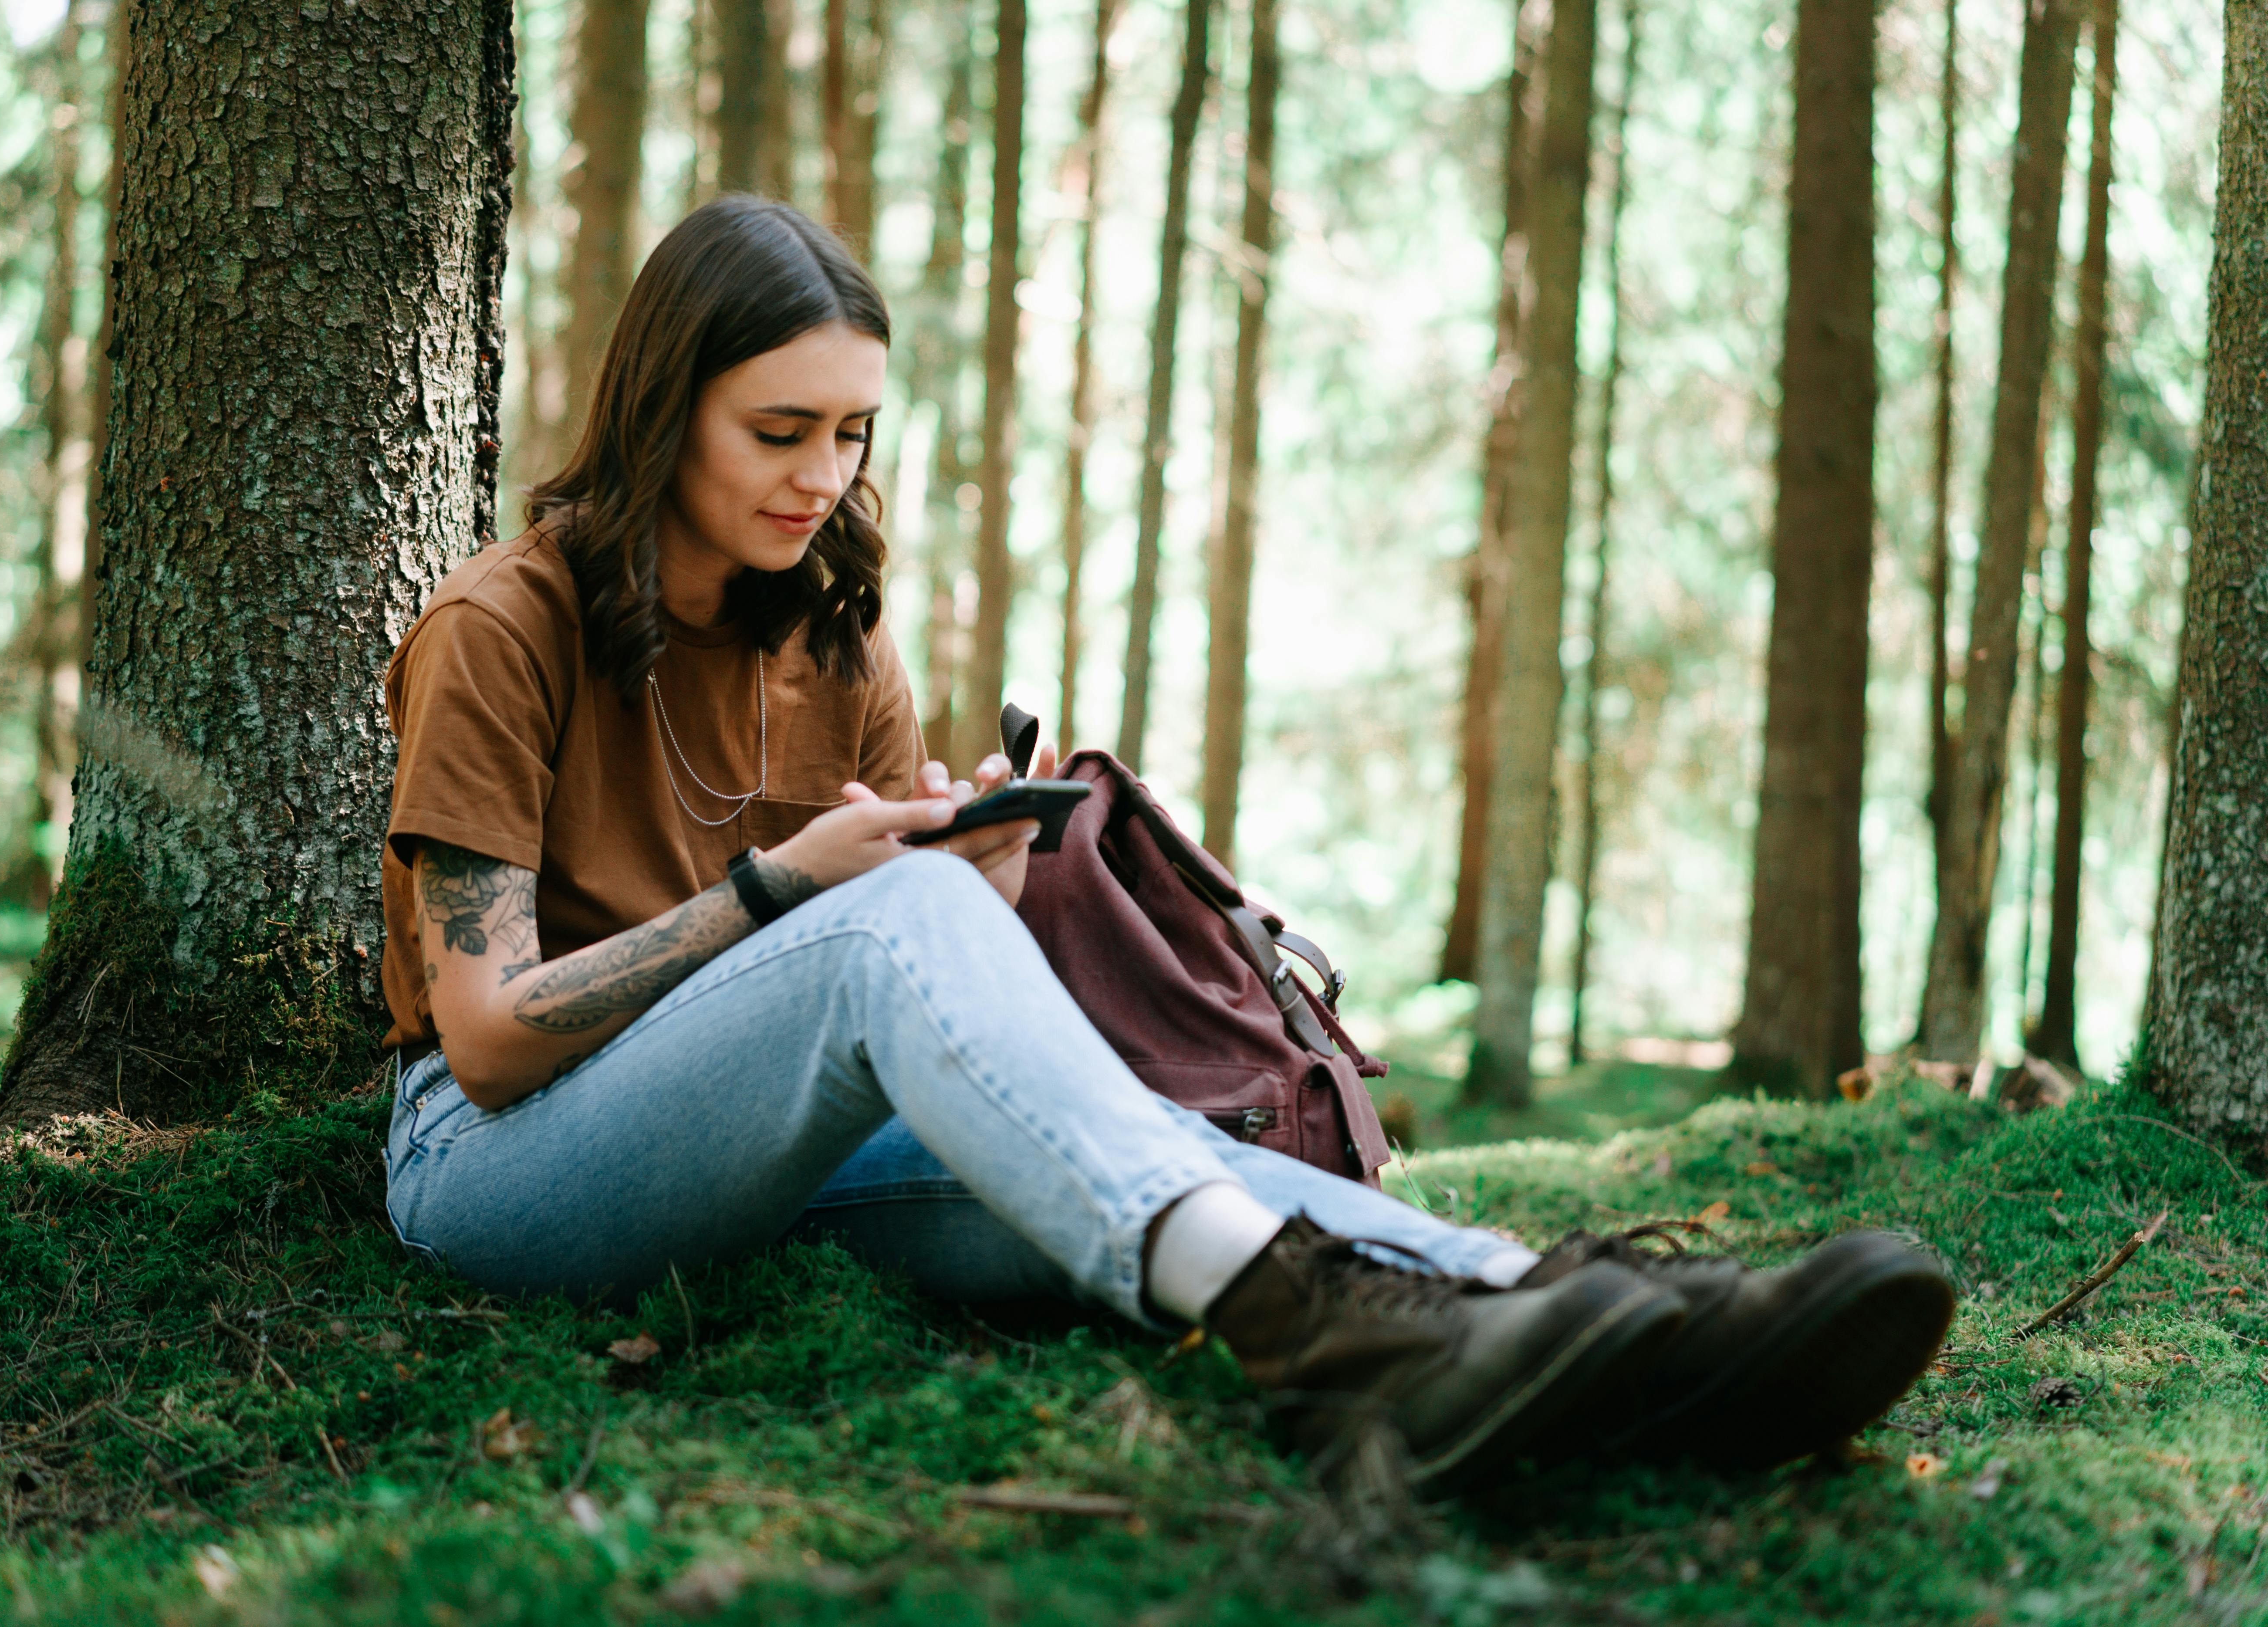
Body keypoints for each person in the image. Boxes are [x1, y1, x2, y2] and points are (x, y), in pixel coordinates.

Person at [376, 195, 1954, 1488]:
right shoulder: (502, 628)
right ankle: (1315, 1337)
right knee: (886, 936)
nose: (825, 478)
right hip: (506, 1171)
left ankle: (1583, 1320)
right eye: (780, 430)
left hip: (767, 1160)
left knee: (1148, 1151)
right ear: (666, 411)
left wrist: (968, 882)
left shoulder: (840, 645)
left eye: (855, 434)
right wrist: (801, 893)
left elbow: (868, 973)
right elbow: (496, 1042)